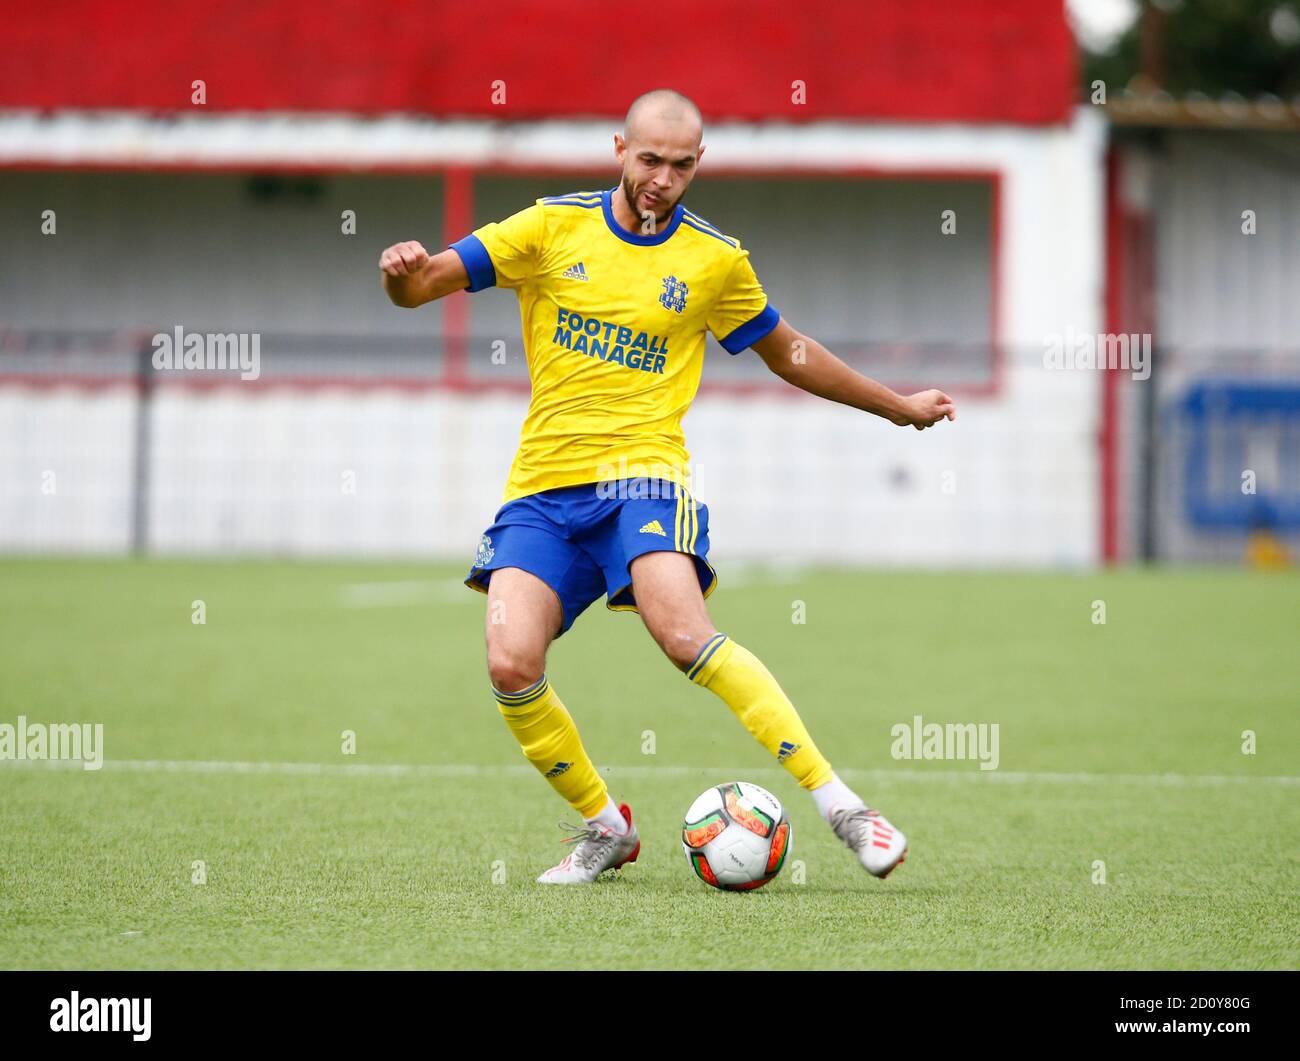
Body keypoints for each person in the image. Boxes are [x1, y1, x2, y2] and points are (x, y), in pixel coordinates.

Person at [379, 88, 955, 884]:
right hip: (543, 492)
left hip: (645, 480)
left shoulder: (715, 260)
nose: (662, 179)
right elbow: (424, 287)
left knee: (683, 633)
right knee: (511, 663)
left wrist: (896, 407)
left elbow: (789, 353)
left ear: (698, 164)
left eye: (681, 165)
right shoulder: (549, 225)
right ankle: (604, 825)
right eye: (649, 160)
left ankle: (844, 805)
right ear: (619, 147)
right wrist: (402, 274)